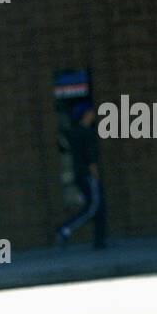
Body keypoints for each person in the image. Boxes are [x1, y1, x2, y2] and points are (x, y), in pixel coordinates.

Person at [54, 101, 107, 249]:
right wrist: (95, 175)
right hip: (88, 175)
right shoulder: (86, 133)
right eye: (90, 112)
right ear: (85, 115)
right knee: (93, 207)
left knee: (100, 208)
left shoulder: (74, 132)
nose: (93, 115)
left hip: (80, 174)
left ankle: (99, 241)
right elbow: (90, 158)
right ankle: (66, 229)